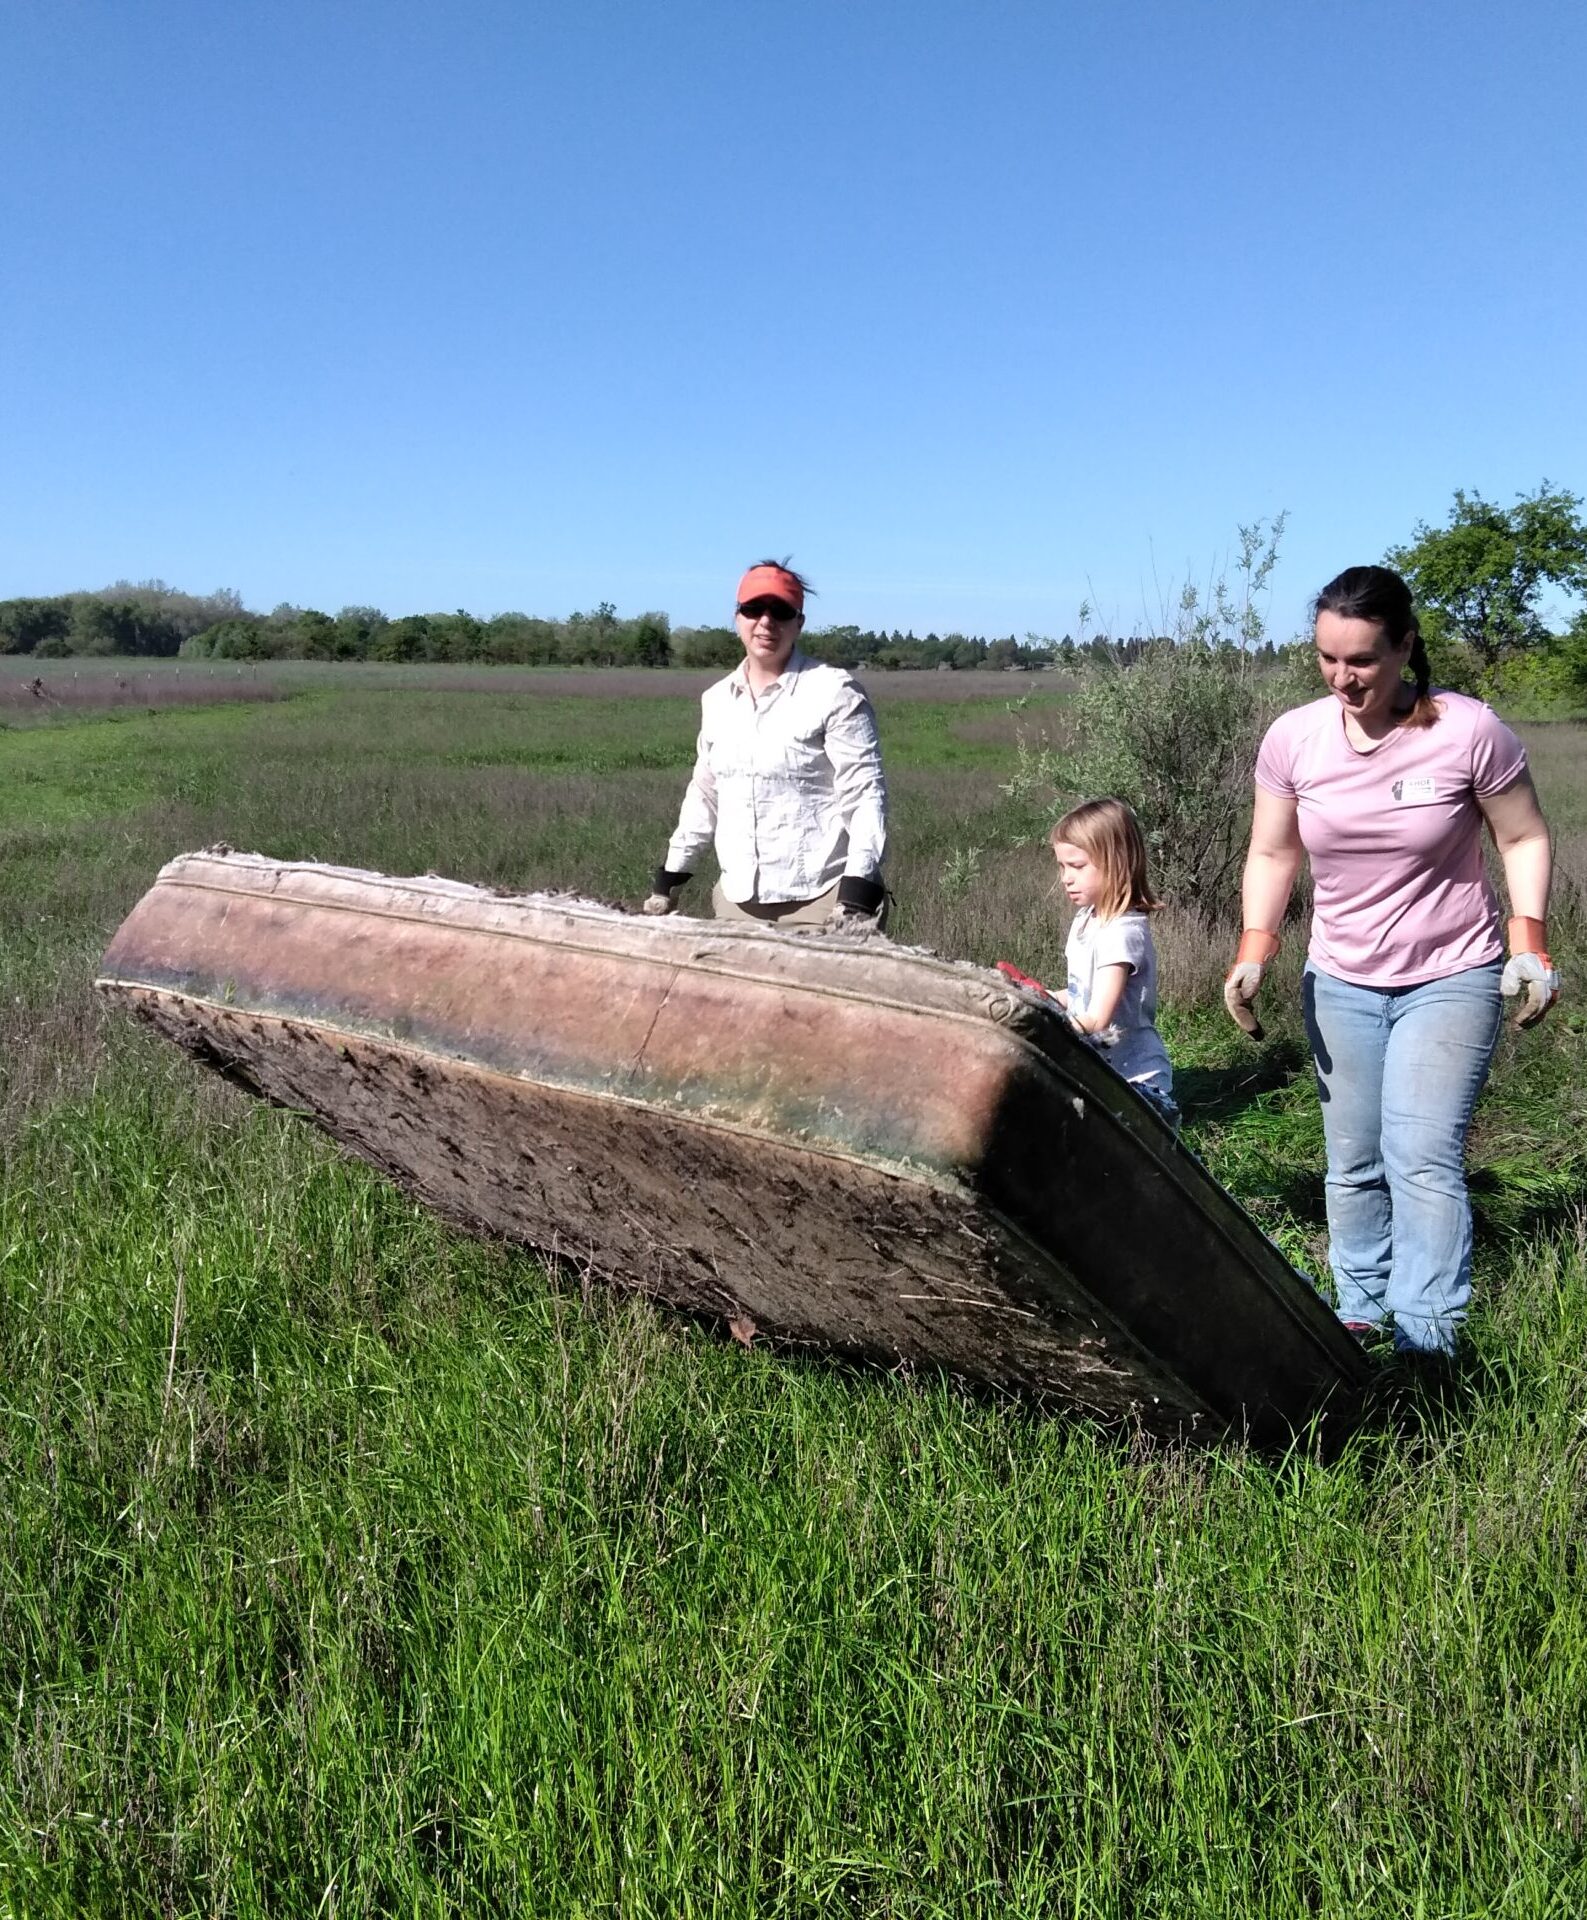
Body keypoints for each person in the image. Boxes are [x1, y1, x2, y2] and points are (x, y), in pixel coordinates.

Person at [1227, 563, 1559, 1358]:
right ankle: (1360, 1313)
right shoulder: (1293, 739)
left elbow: (1521, 837)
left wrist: (1527, 942)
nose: (1342, 678)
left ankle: (1427, 1339)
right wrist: (1254, 948)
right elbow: (1272, 853)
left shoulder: (1467, 731)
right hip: (1338, 978)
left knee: (1421, 1156)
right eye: (1326, 659)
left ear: (1404, 647)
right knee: (1352, 1161)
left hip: (1451, 971)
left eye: (1362, 660)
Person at [643, 560, 889, 929]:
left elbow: (865, 793)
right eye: (754, 609)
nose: (766, 622)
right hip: (737, 902)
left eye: (781, 611)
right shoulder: (717, 700)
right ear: (737, 618)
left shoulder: (834, 692)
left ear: (799, 622)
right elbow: (705, 796)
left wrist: (856, 895)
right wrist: (670, 878)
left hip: (823, 900)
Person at [1047, 798, 1178, 1127]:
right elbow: (1081, 994)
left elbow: (1097, 1019)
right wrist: (1044, 998)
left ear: (1115, 863)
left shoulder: (1121, 932)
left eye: (1077, 866)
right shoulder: (1086, 919)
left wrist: (1045, 1029)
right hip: (1103, 1073)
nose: (1066, 878)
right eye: (1062, 866)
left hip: (1137, 1085)